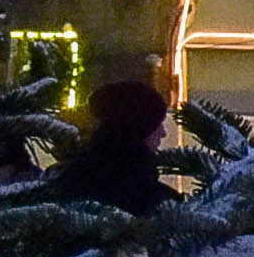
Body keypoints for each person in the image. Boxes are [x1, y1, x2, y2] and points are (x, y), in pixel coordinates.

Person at [45, 79, 177, 214]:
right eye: (158, 124)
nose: (163, 133)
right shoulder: (156, 202)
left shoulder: (65, 183)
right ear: (138, 129)